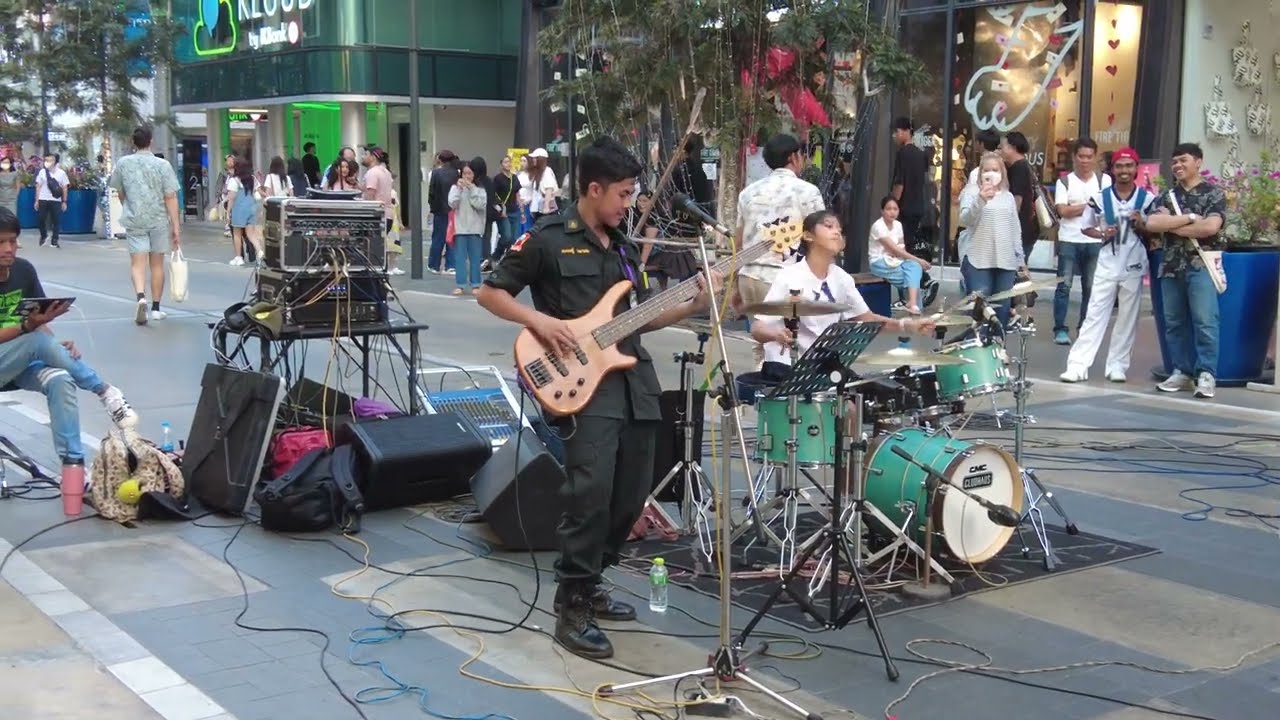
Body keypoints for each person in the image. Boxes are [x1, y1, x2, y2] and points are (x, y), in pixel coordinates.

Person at [476, 136, 719, 660]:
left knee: (633, 494)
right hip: (581, 387)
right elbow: (490, 292)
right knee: (590, 494)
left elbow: (641, 317)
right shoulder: (546, 239)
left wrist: (696, 300)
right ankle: (572, 602)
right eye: (624, 194)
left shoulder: (625, 246)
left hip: (635, 381)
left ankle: (593, 579)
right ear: (593, 188)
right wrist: (539, 320)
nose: (629, 205)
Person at [0, 208, 138, 491]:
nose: (9, 249)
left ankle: (74, 468)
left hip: (19, 362)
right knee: (37, 342)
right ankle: (104, 391)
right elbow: (29, 330)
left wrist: (53, 345)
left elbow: (37, 322)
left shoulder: (24, 270)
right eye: (1, 242)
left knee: (61, 379)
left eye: (13, 241)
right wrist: (31, 331)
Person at [752, 210, 934, 381]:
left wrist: (906, 325)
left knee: (865, 397)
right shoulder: (789, 276)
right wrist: (776, 334)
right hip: (787, 366)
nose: (837, 232)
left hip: (823, 363)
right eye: (829, 226)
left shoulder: (842, 278)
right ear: (808, 235)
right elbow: (757, 328)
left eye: (839, 229)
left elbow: (867, 319)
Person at [1059, 147, 1153, 384]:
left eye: (1129, 166)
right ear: (1113, 169)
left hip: (1133, 263)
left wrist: (1142, 223)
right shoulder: (1100, 198)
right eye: (1119, 166)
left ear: (1136, 168)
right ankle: (1078, 365)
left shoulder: (1147, 199)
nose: (1124, 170)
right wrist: (1102, 233)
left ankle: (1118, 365)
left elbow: (1155, 230)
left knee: (1128, 317)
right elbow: (1085, 227)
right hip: (1107, 263)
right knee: (1094, 314)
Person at [1141, 142, 1225, 399]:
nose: (1177, 166)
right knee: (1174, 323)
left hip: (1200, 265)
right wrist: (1189, 219)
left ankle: (1206, 373)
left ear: (1198, 162)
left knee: (1205, 321)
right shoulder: (1167, 196)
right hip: (1170, 266)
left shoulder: (1213, 193)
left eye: (1183, 160)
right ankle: (1182, 371)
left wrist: (1171, 225)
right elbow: (1152, 222)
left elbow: (1211, 227)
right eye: (1174, 161)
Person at [108, 126, 182, 326]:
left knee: (137, 263)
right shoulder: (163, 165)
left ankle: (141, 297)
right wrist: (176, 226)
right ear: (151, 142)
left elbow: (119, 190)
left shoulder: (123, 163)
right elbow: (170, 196)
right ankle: (156, 307)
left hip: (135, 219)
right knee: (156, 264)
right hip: (158, 219)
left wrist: (128, 206)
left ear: (133, 143)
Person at [1051, 138, 1111, 346]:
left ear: (1095, 157)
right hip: (1069, 238)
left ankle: (1084, 327)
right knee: (1064, 286)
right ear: (1074, 157)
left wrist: (1077, 207)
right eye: (1081, 156)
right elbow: (1062, 211)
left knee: (1091, 286)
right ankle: (1060, 328)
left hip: (1095, 238)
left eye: (1089, 156)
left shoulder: (1105, 181)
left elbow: (1107, 209)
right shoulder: (1064, 181)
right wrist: (1091, 205)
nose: (1085, 161)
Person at [958, 152, 1026, 328]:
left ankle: (997, 348)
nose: (991, 173)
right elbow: (965, 220)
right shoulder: (972, 192)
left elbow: (1015, 229)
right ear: (980, 173)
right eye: (986, 170)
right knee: (979, 312)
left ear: (1002, 172)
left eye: (995, 169)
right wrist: (981, 200)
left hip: (1005, 261)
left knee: (1001, 313)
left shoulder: (1008, 197)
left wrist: (1021, 260)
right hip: (979, 259)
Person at [868, 196, 929, 314]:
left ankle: (912, 303)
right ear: (882, 211)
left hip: (896, 260)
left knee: (914, 267)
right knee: (912, 279)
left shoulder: (898, 225)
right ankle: (915, 308)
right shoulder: (878, 226)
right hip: (879, 262)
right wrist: (919, 260)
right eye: (888, 209)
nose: (892, 212)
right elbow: (894, 249)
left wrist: (905, 257)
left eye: (895, 209)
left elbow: (901, 248)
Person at [448, 159, 488, 295]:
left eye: (470, 174)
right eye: (464, 174)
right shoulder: (455, 188)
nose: (467, 177)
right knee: (459, 258)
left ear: (474, 175)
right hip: (460, 228)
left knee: (475, 258)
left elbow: (480, 205)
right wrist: (459, 190)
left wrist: (471, 189)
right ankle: (460, 284)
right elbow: (452, 204)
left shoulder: (480, 190)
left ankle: (476, 284)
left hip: (476, 228)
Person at [35, 153, 69, 248]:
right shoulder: (42, 172)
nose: (48, 162)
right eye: (46, 160)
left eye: (50, 160)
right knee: (41, 219)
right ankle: (43, 235)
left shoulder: (61, 173)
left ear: (55, 161)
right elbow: (38, 186)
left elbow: (65, 187)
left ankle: (54, 240)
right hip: (43, 198)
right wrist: (37, 200)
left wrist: (64, 201)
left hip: (55, 199)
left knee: (56, 220)